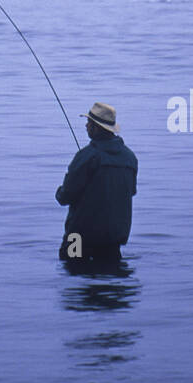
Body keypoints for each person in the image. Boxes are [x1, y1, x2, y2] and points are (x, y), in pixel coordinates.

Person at [56, 103, 138, 265]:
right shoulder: (130, 157)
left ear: (97, 128)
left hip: (78, 237)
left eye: (89, 123)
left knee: (74, 275)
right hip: (113, 238)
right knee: (111, 283)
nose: (86, 126)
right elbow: (131, 191)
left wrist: (59, 192)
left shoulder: (87, 156)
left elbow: (65, 196)